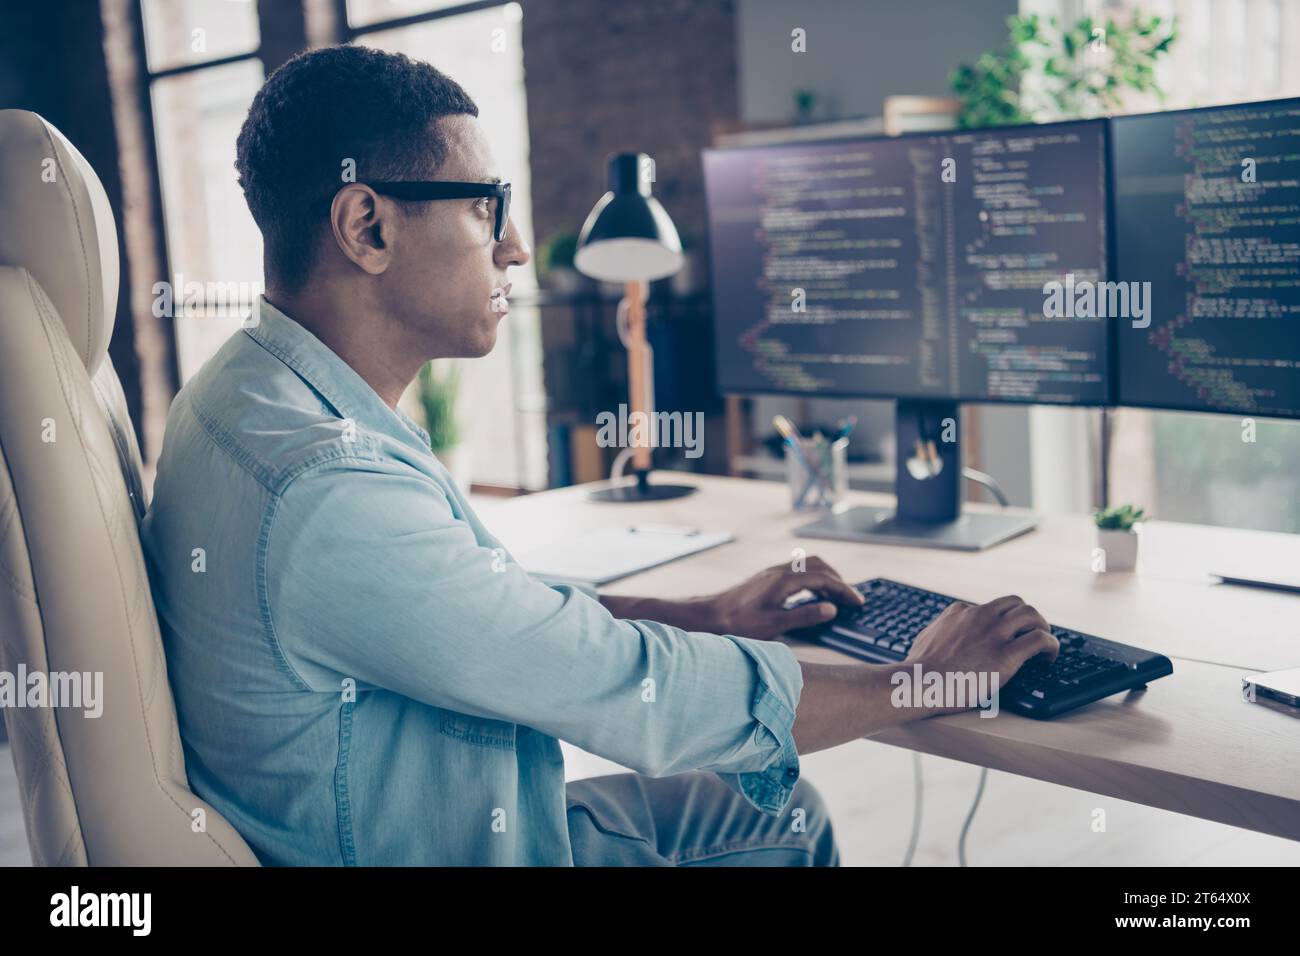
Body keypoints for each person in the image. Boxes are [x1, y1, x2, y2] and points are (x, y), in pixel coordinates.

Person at [141, 44, 1058, 866]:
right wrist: (925, 677)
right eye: (485, 206)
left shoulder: (239, 396)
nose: (514, 247)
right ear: (367, 226)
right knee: (781, 825)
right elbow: (636, 699)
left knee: (766, 813)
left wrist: (706, 611)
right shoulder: (324, 488)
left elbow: (486, 613)